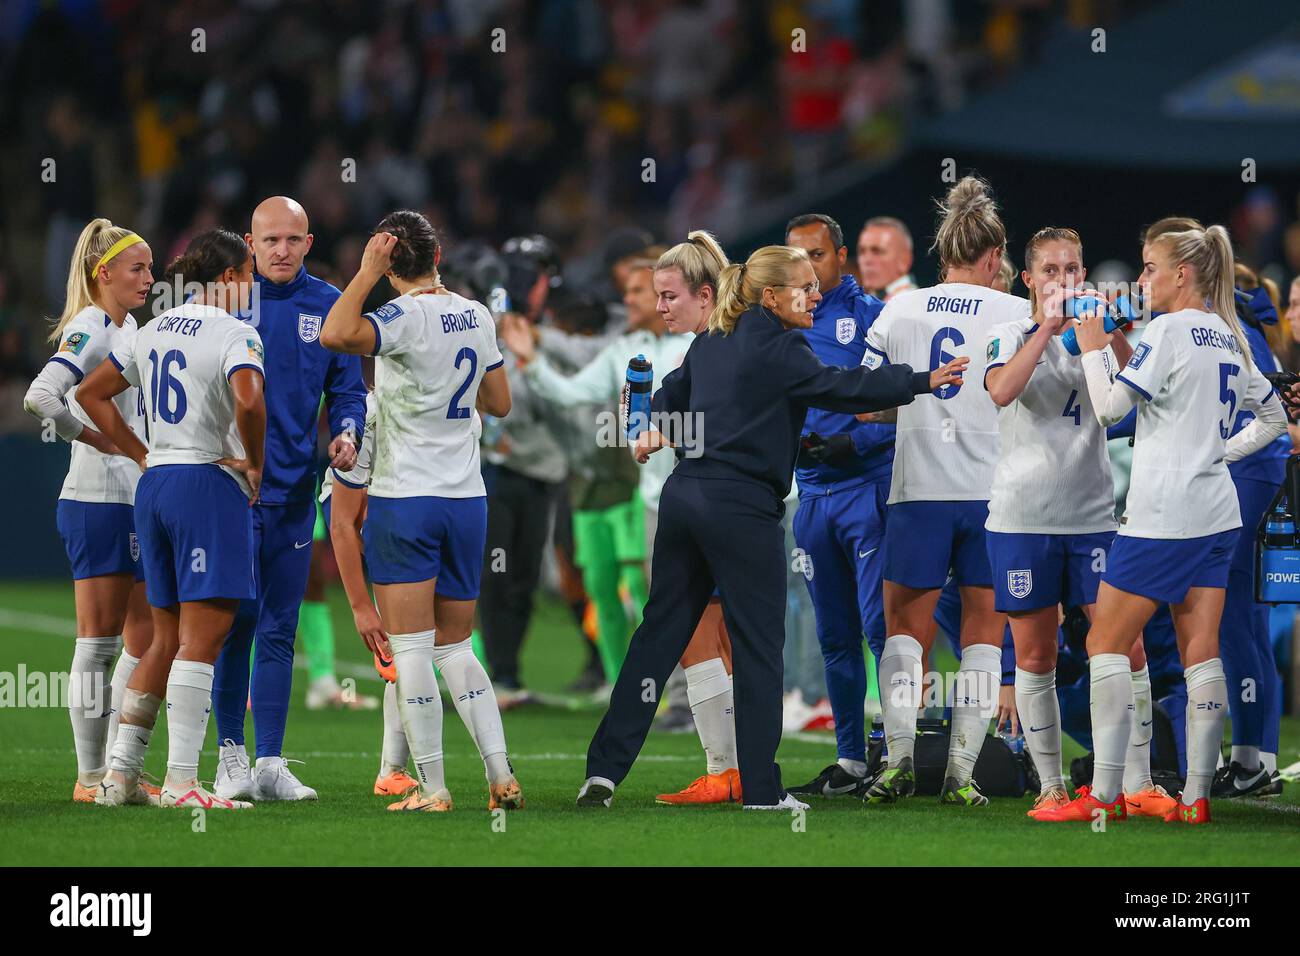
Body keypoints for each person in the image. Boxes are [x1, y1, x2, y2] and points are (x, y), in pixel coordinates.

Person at [576, 244, 967, 810]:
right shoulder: (782, 345)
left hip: (684, 499)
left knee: (656, 638)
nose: (815, 295)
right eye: (804, 287)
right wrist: (924, 379)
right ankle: (761, 791)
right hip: (742, 509)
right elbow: (846, 387)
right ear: (770, 296)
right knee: (760, 647)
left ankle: (602, 775)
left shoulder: (712, 338)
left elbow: (669, 393)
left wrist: (649, 424)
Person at [1035, 224, 1287, 825]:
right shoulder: (1229, 333)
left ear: (1183, 275)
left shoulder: (1170, 330)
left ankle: (1100, 795)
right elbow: (1274, 418)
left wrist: (1094, 344)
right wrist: (1218, 455)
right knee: (1202, 650)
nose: (1141, 280)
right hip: (1218, 511)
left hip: (1163, 515)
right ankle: (1197, 796)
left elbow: (1108, 409)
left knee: (1104, 643)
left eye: (1150, 268)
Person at [321, 209, 522, 812]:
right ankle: (501, 775)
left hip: (406, 499)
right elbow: (502, 402)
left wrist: (362, 274)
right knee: (457, 648)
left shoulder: (398, 317)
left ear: (389, 265)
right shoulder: (477, 314)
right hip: (466, 500)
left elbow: (335, 333)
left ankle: (432, 787)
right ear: (438, 258)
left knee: (412, 650)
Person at [983, 226, 1176, 820]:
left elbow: (1139, 397)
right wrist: (1046, 326)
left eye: (1073, 269)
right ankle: (1052, 788)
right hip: (1022, 518)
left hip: (1093, 518)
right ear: (1029, 279)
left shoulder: (1098, 334)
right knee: (1036, 656)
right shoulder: (1008, 332)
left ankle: (1136, 783)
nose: (1063, 281)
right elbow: (1000, 391)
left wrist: (1111, 333)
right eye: (1051, 271)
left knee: (1127, 647)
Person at [80, 228, 266, 810]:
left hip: (154, 485)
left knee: (162, 638)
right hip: (206, 485)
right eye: (250, 276)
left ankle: (120, 777)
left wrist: (139, 452)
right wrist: (255, 462)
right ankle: (185, 784)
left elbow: (91, 392)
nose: (253, 287)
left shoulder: (154, 326)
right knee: (201, 640)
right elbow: (250, 398)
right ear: (231, 278)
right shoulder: (236, 331)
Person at [860, 176, 1027, 807]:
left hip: (920, 488)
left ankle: (898, 762)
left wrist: (912, 408)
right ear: (993, 256)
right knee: (985, 634)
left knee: (906, 631)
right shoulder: (1016, 311)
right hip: (993, 494)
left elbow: (868, 408)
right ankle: (962, 775)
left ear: (941, 252)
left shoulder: (900, 309)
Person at [211, 196, 367, 803]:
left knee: (280, 626)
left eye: (292, 240)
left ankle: (270, 762)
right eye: (270, 240)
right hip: (233, 494)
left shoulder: (330, 306)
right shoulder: (226, 305)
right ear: (250, 244)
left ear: (309, 242)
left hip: (297, 495)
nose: (281, 250)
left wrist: (348, 434)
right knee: (235, 624)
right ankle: (229, 758)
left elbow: (348, 392)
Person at [22, 218, 158, 803]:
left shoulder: (123, 327)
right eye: (138, 269)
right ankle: (90, 777)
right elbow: (41, 396)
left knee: (148, 638)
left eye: (151, 268)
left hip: (129, 499)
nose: (150, 279)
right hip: (97, 500)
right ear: (104, 274)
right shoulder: (91, 326)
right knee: (99, 645)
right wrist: (95, 438)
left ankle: (117, 771)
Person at [778, 213, 896, 799]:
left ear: (841, 258)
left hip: (865, 492)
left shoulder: (873, 317)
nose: (808, 271)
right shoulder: (778, 320)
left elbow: (906, 409)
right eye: (796, 259)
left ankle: (897, 755)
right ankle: (851, 760)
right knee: (833, 634)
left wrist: (855, 441)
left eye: (817, 257)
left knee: (880, 628)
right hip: (812, 496)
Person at [642, 230, 744, 805]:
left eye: (669, 296)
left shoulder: (728, 347)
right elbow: (666, 398)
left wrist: (663, 431)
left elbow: (724, 432)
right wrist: (656, 420)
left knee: (719, 638)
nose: (660, 307)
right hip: (722, 510)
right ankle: (728, 771)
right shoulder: (709, 346)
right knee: (711, 637)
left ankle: (735, 770)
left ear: (706, 296)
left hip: (727, 511)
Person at [317, 389, 419, 796]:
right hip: (364, 512)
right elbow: (345, 520)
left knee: (413, 645)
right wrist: (361, 607)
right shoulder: (371, 412)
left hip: (404, 511)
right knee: (401, 645)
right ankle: (393, 769)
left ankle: (392, 770)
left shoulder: (440, 401)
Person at [856, 216, 916, 301]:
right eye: (862, 252)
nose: (867, 260)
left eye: (877, 252)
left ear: (904, 260)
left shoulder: (911, 304)